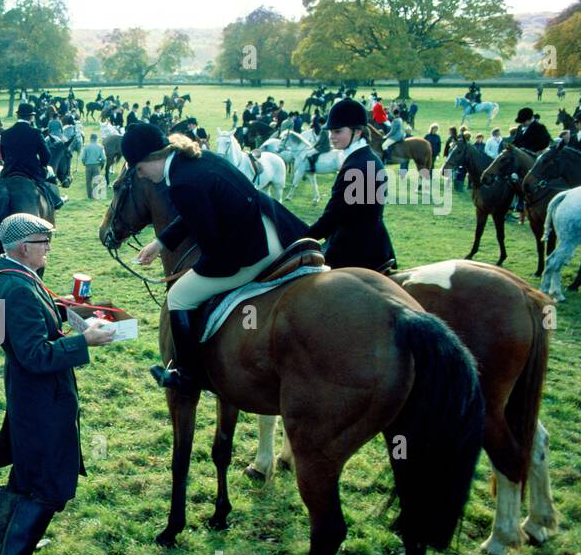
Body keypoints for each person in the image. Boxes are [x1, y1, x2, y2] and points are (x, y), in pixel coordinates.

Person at [127, 125, 309, 394]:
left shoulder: (180, 183)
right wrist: (161, 242)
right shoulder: (196, 157)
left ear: (152, 159)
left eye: (140, 170)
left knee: (178, 296)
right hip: (273, 229)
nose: (142, 177)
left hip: (249, 250)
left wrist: (192, 273)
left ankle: (186, 376)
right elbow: (197, 211)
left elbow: (210, 244)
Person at [0, 213, 113, 555]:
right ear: (25, 248)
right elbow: (36, 355)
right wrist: (83, 341)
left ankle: (9, 546)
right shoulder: (17, 287)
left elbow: (33, 324)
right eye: (44, 242)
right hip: (41, 395)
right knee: (50, 479)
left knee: (27, 468)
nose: (48, 249)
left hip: (29, 392)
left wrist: (69, 312)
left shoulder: (11, 276)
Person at [303, 98, 395, 272]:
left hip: (354, 251)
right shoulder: (368, 157)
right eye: (330, 131)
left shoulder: (356, 166)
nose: (332, 137)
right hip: (374, 243)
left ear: (357, 132)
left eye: (337, 131)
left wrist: (302, 239)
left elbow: (333, 216)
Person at [1, 103, 64, 210]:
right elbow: (46, 156)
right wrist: (42, 165)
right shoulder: (35, 133)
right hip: (31, 171)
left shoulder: (6, 133)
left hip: (9, 171)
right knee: (47, 180)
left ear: (17, 116)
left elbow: (3, 156)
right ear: (31, 117)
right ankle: (55, 200)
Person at [80, 133, 105, 199]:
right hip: (96, 165)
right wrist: (100, 163)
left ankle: (89, 196)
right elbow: (103, 158)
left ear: (90, 139)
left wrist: (84, 163)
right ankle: (95, 196)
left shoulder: (86, 147)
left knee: (88, 181)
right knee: (96, 181)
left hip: (88, 165)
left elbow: (82, 158)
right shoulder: (100, 147)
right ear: (96, 139)